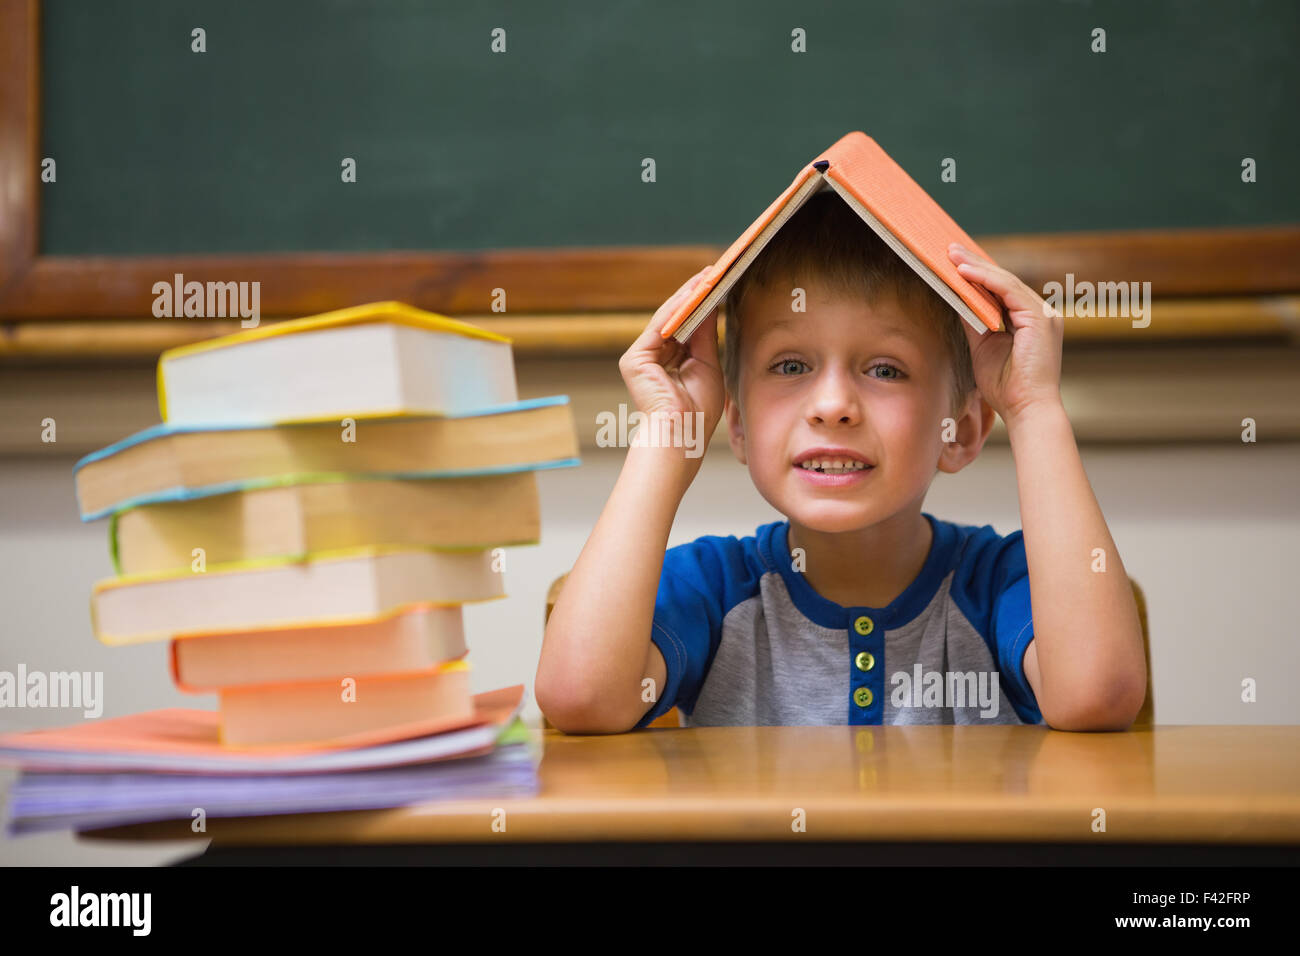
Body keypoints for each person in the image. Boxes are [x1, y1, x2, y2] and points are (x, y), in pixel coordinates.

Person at [537, 192, 1146, 732]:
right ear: (739, 423)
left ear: (958, 430)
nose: (832, 406)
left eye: (885, 369)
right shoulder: (713, 588)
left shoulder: (1003, 584)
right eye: (790, 365)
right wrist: (668, 434)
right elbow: (580, 698)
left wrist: (1034, 407)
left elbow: (1095, 695)